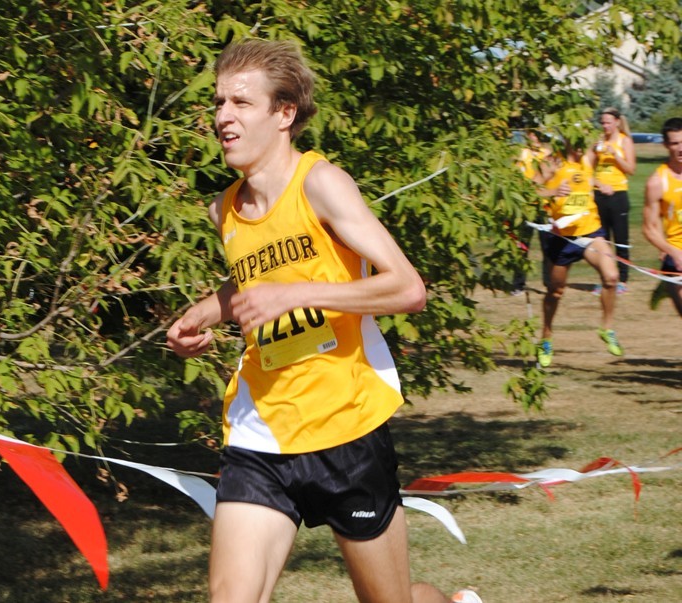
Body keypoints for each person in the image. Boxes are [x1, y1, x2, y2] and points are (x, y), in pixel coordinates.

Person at [166, 39, 483, 603]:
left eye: (241, 103)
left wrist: (297, 294)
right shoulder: (225, 209)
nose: (222, 117)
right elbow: (252, 281)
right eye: (218, 103)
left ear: (284, 114)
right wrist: (204, 312)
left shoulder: (320, 184)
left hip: (346, 429)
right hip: (259, 433)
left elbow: (407, 288)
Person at [534, 133, 623, 368]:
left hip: (591, 232)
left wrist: (598, 183)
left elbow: (584, 175)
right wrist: (553, 192)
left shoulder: (589, 158)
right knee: (556, 291)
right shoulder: (553, 161)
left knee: (612, 277)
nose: (585, 145)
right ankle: (545, 338)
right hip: (561, 237)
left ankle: (606, 328)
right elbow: (528, 190)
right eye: (578, 139)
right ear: (567, 139)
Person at [591, 107, 636, 295]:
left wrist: (615, 155)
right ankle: (606, 278)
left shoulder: (625, 141)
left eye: (608, 122)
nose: (605, 126)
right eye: (602, 122)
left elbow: (631, 168)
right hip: (599, 195)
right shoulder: (598, 141)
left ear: (617, 122)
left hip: (618, 195)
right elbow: (587, 170)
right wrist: (599, 184)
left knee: (620, 239)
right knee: (602, 239)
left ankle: (622, 280)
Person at [642, 117, 682, 316]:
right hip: (678, 254)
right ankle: (668, 285)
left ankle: (666, 286)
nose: (681, 149)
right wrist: (670, 251)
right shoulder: (657, 182)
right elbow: (649, 227)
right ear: (666, 145)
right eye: (675, 143)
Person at [512, 128, 551, 294]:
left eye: (534, 134)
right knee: (522, 246)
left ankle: (550, 283)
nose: (531, 137)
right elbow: (515, 173)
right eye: (530, 134)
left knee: (548, 247)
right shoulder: (522, 153)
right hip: (527, 205)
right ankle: (518, 283)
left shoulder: (547, 153)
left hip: (543, 205)